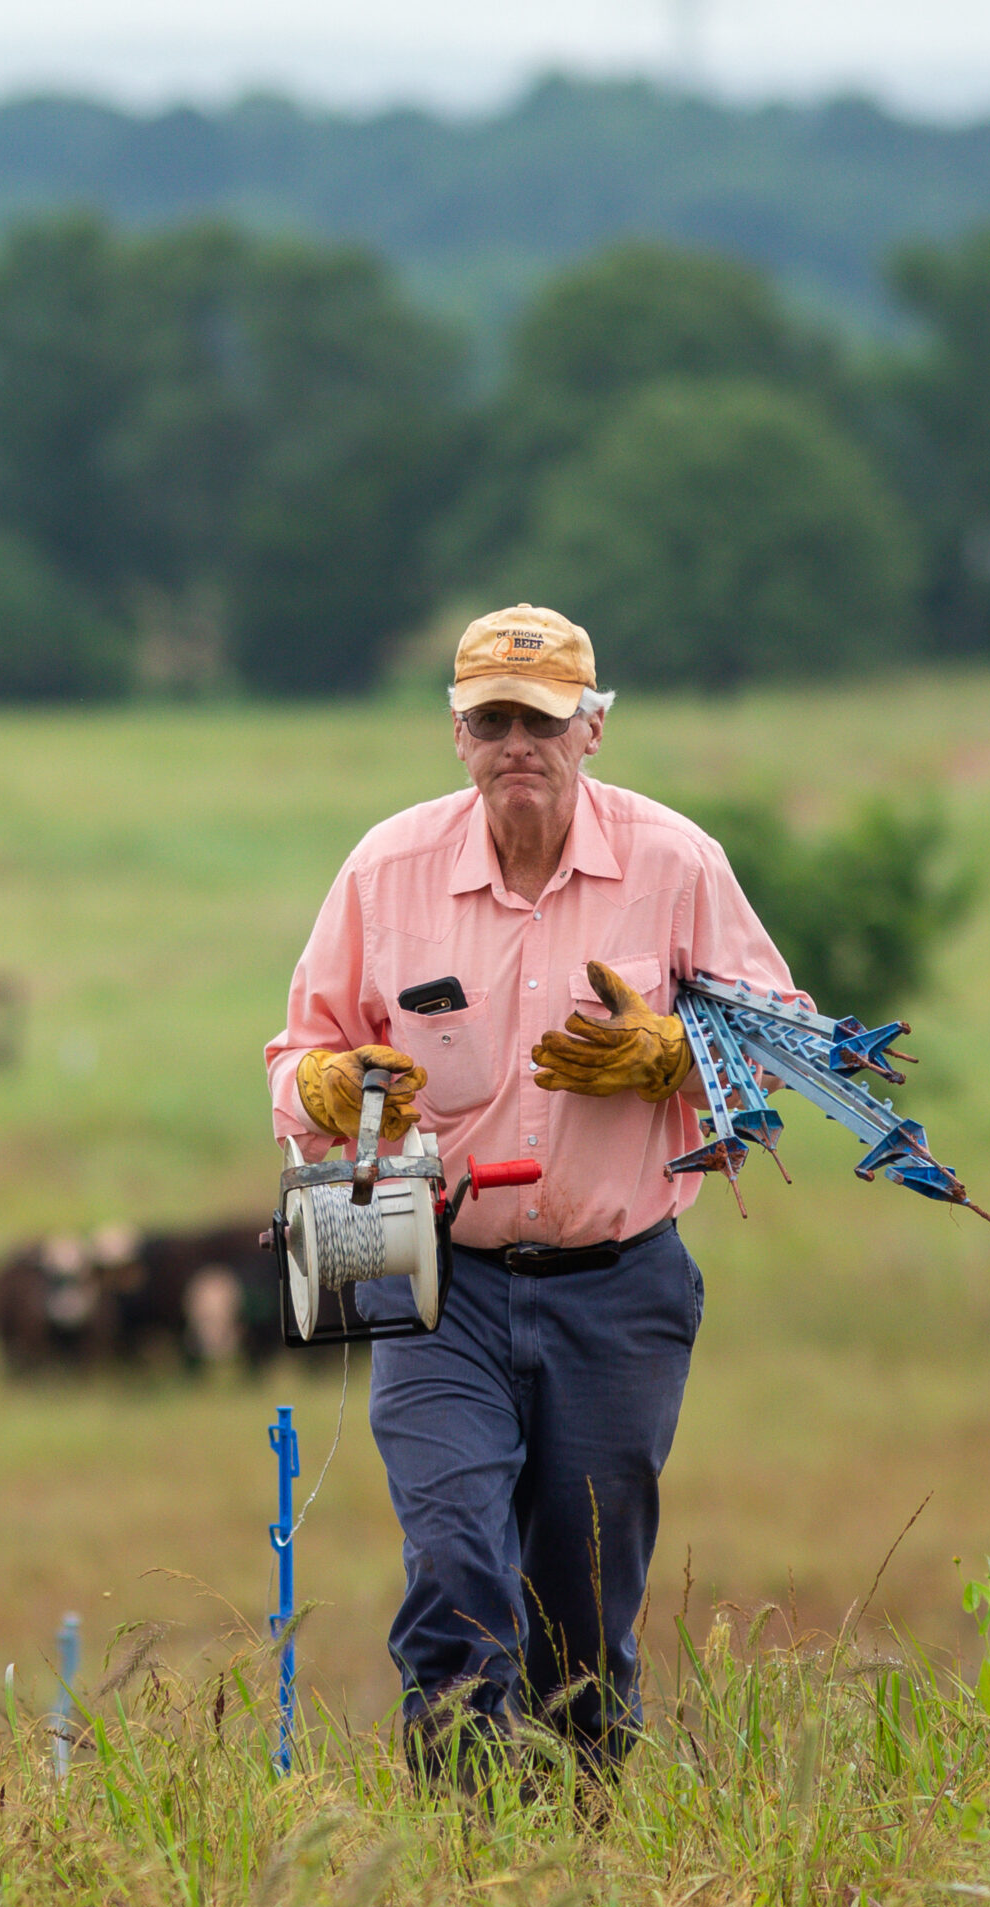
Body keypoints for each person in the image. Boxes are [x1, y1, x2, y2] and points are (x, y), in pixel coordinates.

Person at [264, 601, 795, 1800]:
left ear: (592, 728)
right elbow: (296, 1055)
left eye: (543, 719)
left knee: (581, 1611)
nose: (519, 743)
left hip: (619, 1284)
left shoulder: (675, 863)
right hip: (433, 1275)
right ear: (455, 734)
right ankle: (463, 1848)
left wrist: (674, 1056)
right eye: (493, 719)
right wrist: (334, 1079)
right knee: (455, 1572)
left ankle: (572, 1849)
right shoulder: (383, 869)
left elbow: (775, 1044)